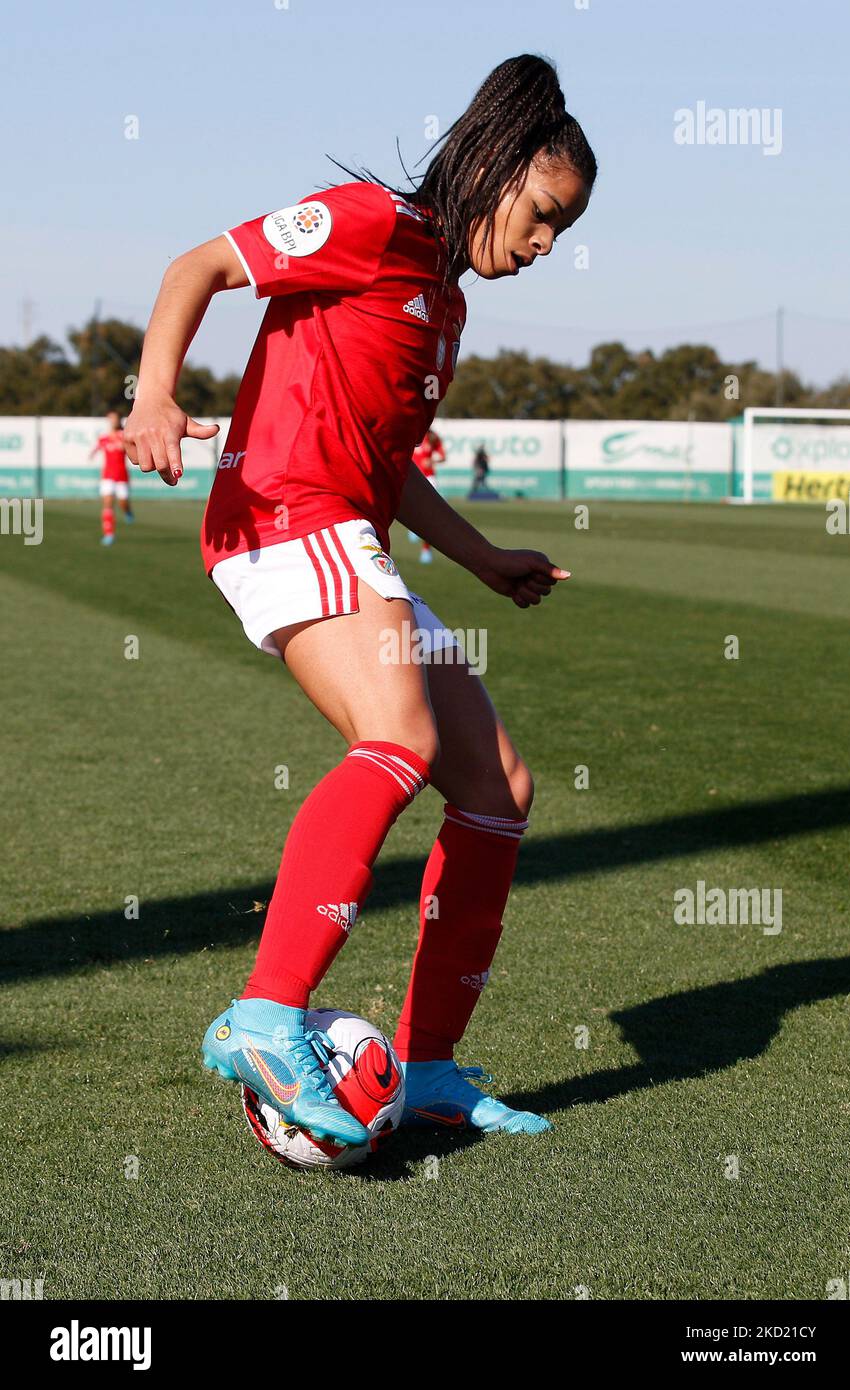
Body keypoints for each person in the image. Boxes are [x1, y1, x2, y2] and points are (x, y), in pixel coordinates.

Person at [124, 53, 596, 1147]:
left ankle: (425, 1068)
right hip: (284, 515)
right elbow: (194, 266)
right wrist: (154, 393)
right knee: (397, 735)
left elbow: (385, 466)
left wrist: (479, 557)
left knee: (497, 782)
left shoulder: (443, 306)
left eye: (559, 232)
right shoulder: (369, 223)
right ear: (492, 166)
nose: (541, 246)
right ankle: (266, 1014)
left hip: (348, 525)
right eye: (539, 215)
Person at [91, 409, 133, 544]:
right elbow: (95, 450)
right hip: (107, 476)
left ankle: (127, 511)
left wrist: (125, 447)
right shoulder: (103, 438)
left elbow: (133, 452)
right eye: (110, 418)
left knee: (122, 503)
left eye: (114, 418)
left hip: (122, 476)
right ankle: (109, 534)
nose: (112, 421)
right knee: (108, 504)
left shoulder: (124, 436)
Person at [409, 428, 446, 562]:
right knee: (412, 507)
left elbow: (443, 456)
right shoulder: (411, 432)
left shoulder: (432, 437)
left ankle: (426, 550)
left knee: (428, 514)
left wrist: (432, 461)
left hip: (429, 478)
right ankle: (413, 525)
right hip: (411, 478)